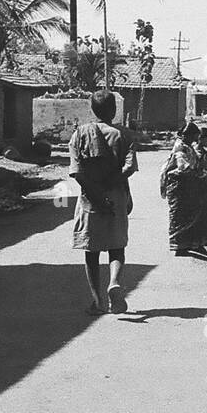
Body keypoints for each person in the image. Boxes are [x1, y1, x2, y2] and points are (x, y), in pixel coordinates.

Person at [69, 90, 138, 315]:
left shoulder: (80, 134)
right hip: (116, 196)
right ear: (114, 110)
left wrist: (97, 194)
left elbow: (77, 172)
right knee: (116, 247)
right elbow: (129, 168)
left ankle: (98, 302)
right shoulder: (124, 135)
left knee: (91, 251)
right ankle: (114, 282)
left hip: (90, 198)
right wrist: (112, 184)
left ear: (93, 110)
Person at [161, 122, 207, 262]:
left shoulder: (187, 146)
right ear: (187, 135)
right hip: (178, 185)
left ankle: (187, 245)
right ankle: (181, 245)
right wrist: (199, 173)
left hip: (185, 185)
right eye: (194, 136)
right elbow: (184, 167)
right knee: (180, 215)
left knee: (188, 214)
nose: (196, 139)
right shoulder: (180, 147)